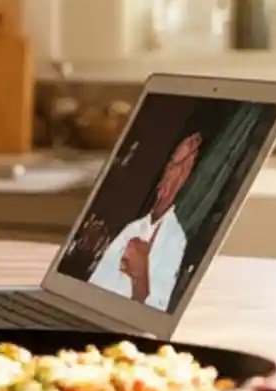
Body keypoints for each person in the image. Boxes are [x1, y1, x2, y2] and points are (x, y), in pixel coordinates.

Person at [86, 132, 202, 311]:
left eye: (182, 166)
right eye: (172, 163)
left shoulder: (175, 238)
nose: (172, 172)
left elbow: (152, 314)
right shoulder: (134, 227)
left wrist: (140, 276)